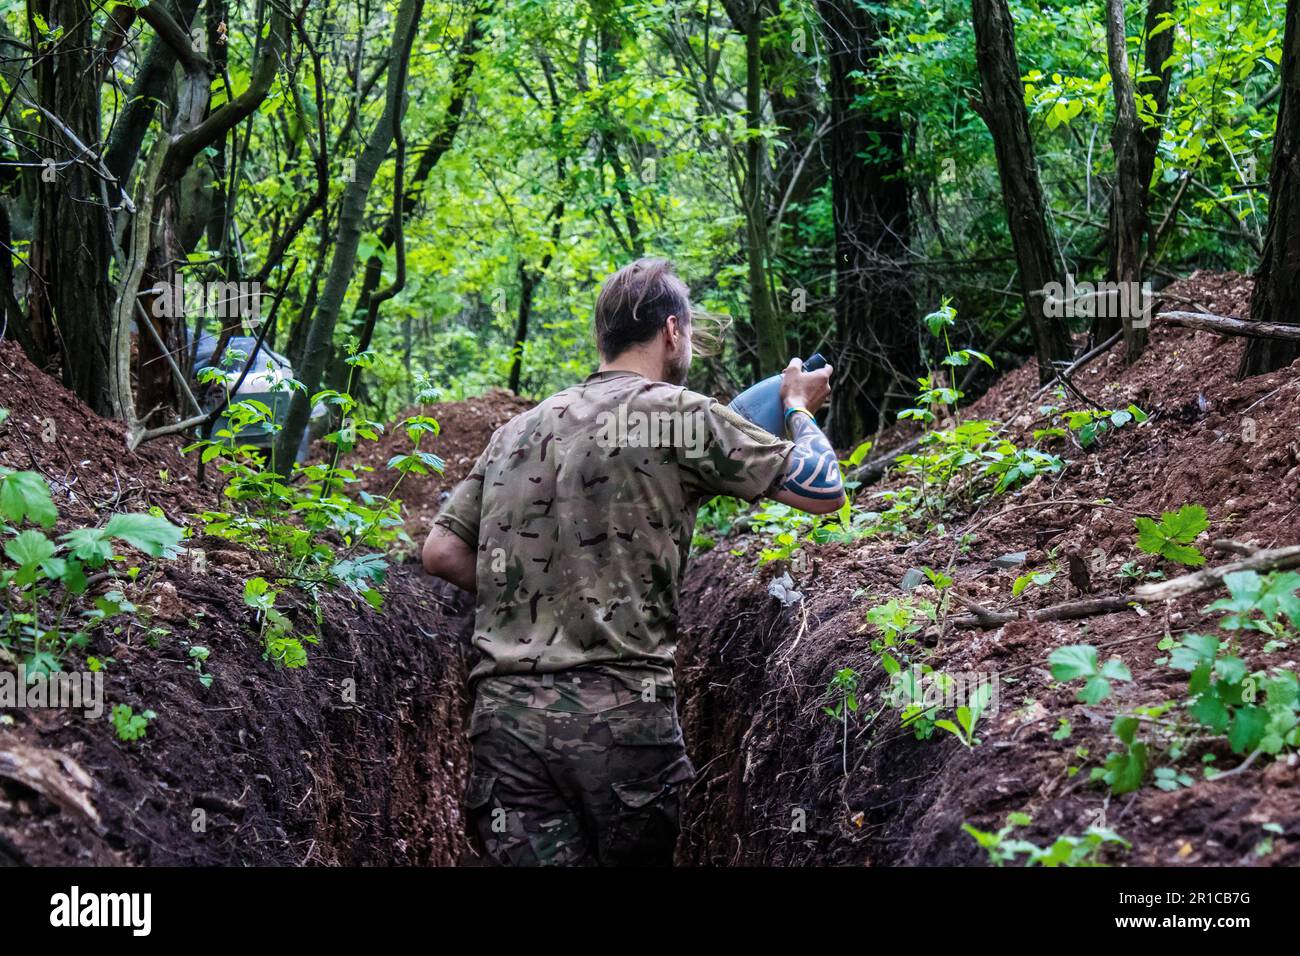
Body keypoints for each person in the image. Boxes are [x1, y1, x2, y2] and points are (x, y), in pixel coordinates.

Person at [422, 258, 843, 866]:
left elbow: (441, 551)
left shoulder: (515, 433)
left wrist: (535, 594)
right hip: (622, 719)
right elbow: (822, 490)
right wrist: (799, 405)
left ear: (602, 337)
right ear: (672, 331)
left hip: (506, 727)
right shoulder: (682, 415)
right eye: (691, 331)